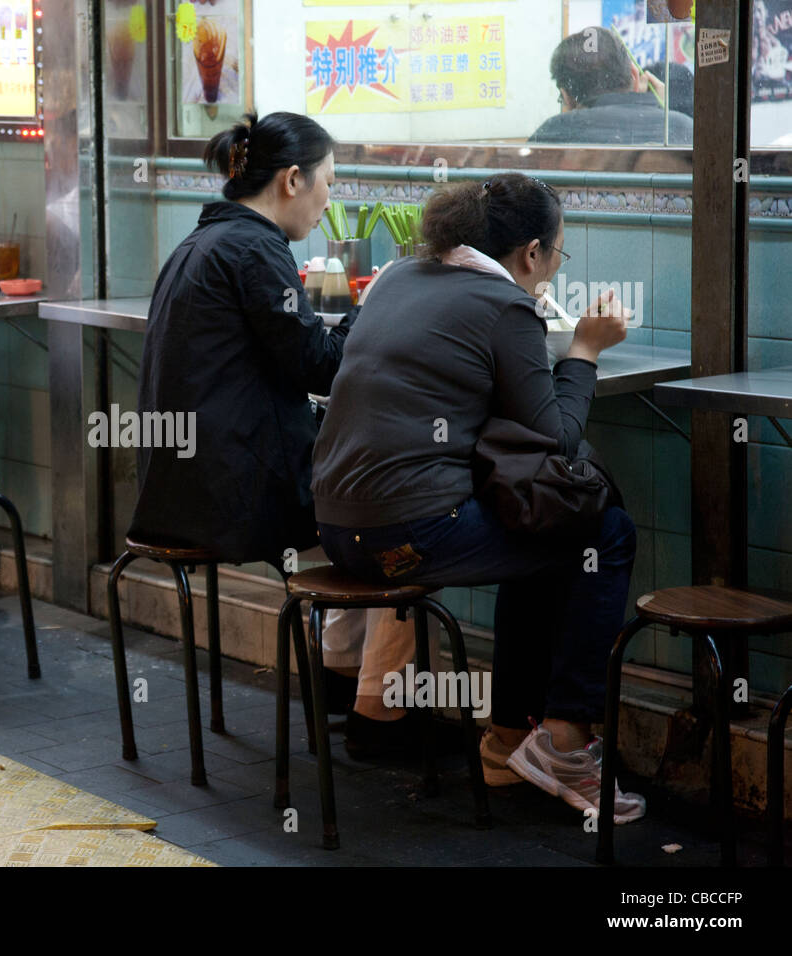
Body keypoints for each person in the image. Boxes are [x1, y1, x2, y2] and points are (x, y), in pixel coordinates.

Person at [310, 173, 647, 825]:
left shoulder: (397, 277)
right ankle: (567, 741)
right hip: (405, 542)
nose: (551, 268)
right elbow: (555, 439)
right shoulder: (505, 304)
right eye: (556, 254)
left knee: (545, 532)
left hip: (335, 531)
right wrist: (584, 349)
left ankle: (508, 742)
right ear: (530, 254)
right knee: (606, 534)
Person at [129, 111, 352, 566]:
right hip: (235, 502)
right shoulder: (256, 249)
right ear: (293, 180)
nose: (329, 202)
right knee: (377, 524)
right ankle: (318, 632)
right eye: (328, 183)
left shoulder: (203, 241)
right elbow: (324, 368)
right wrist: (373, 308)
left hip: (177, 496)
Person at [530, 27, 692, 145]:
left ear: (566, 95)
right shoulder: (685, 128)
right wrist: (662, 111)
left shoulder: (550, 133)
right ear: (635, 76)